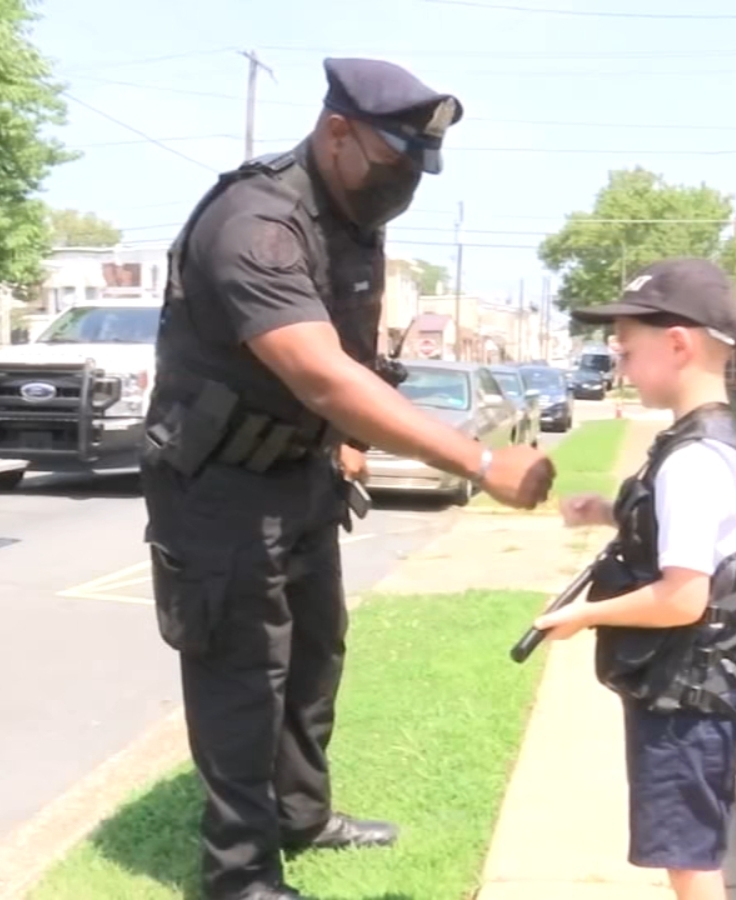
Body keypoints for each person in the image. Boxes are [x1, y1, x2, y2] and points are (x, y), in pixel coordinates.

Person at [141, 58, 556, 900]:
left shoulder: (350, 218)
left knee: (312, 658)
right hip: (218, 486)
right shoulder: (255, 223)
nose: (405, 182)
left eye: (417, 167)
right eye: (392, 159)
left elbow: (355, 355)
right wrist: (480, 458)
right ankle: (239, 874)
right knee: (241, 671)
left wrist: (342, 444)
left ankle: (300, 815)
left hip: (301, 474)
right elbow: (320, 371)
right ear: (337, 132)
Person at [531, 258, 736, 900]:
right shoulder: (700, 444)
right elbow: (697, 539)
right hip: (690, 687)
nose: (620, 364)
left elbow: (683, 597)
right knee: (688, 853)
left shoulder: (694, 460)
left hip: (686, 692)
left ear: (677, 344)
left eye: (627, 348)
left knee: (691, 865)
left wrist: (583, 616)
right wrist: (610, 511)